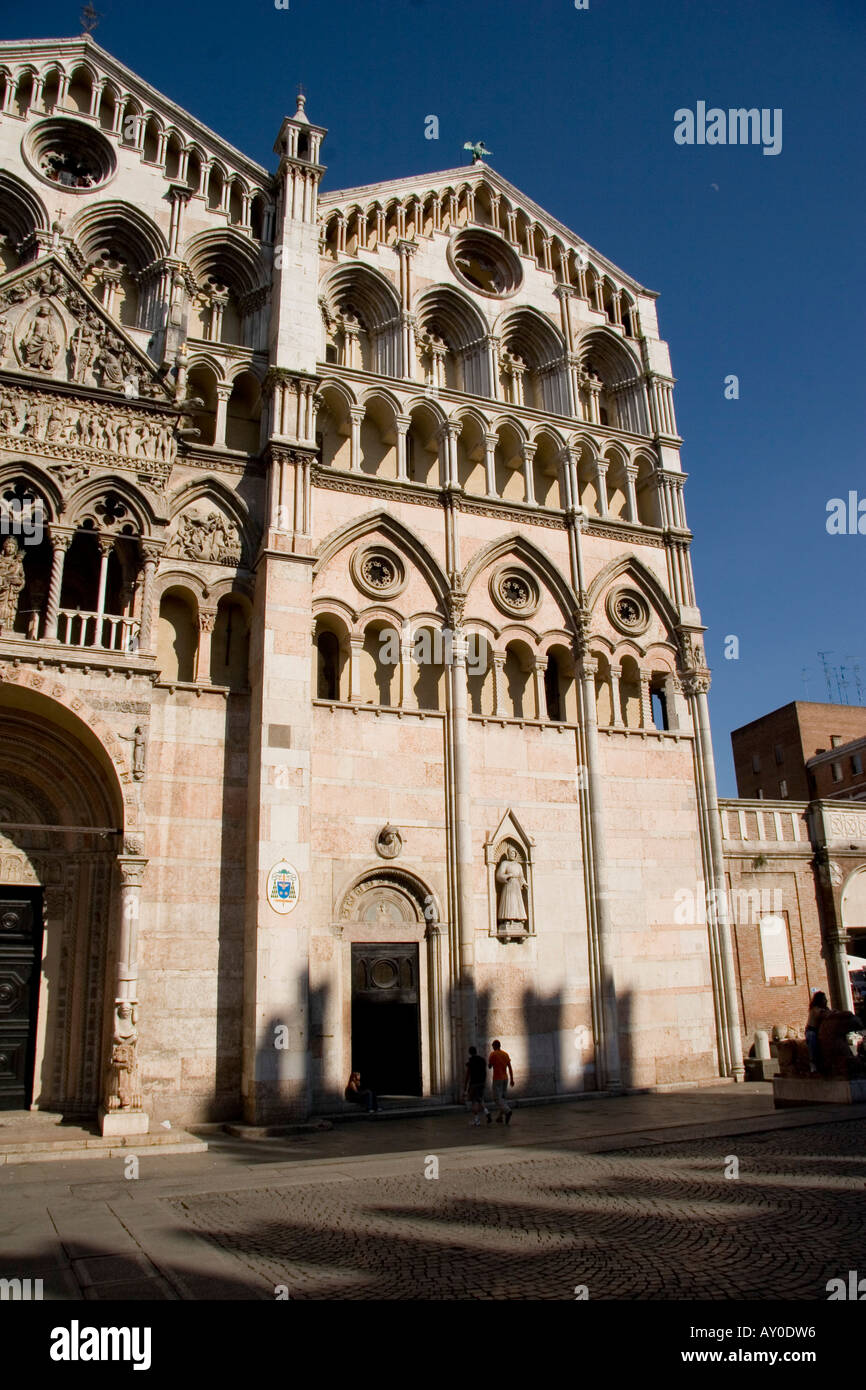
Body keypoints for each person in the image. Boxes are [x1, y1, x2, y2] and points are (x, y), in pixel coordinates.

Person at [488, 1039, 514, 1123]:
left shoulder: (493, 1054)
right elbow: (509, 1067)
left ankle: (507, 1111)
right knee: (502, 1098)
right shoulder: (505, 1054)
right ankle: (500, 1117)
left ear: (495, 1046)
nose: (492, 1047)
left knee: (497, 1098)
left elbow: (489, 1066)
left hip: (497, 1078)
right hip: (505, 1078)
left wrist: (490, 1063)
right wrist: (512, 1079)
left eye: (492, 1046)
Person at [464, 1046, 490, 1126]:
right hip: (481, 1083)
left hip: (474, 1083)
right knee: (479, 1099)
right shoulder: (482, 1060)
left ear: (470, 1052)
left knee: (474, 1101)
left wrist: (465, 1085)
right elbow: (485, 1071)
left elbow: (468, 1075)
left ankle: (477, 1120)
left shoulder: (471, 1061)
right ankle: (486, 1112)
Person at [805, 991, 830, 1073]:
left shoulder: (825, 1009)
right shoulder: (815, 1009)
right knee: (812, 1040)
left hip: (821, 1031)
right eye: (824, 999)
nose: (826, 1000)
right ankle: (813, 1063)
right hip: (811, 1031)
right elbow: (824, 1015)